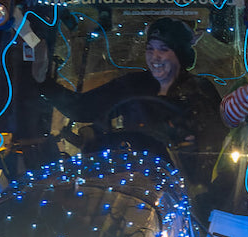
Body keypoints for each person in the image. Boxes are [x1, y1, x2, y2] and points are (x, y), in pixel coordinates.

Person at [42, 17, 227, 195]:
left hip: (186, 188)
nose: (155, 57)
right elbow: (83, 109)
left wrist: (199, 187)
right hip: (136, 189)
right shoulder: (134, 84)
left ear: (180, 53)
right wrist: (44, 84)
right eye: (150, 49)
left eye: (163, 49)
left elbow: (215, 144)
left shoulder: (199, 89)